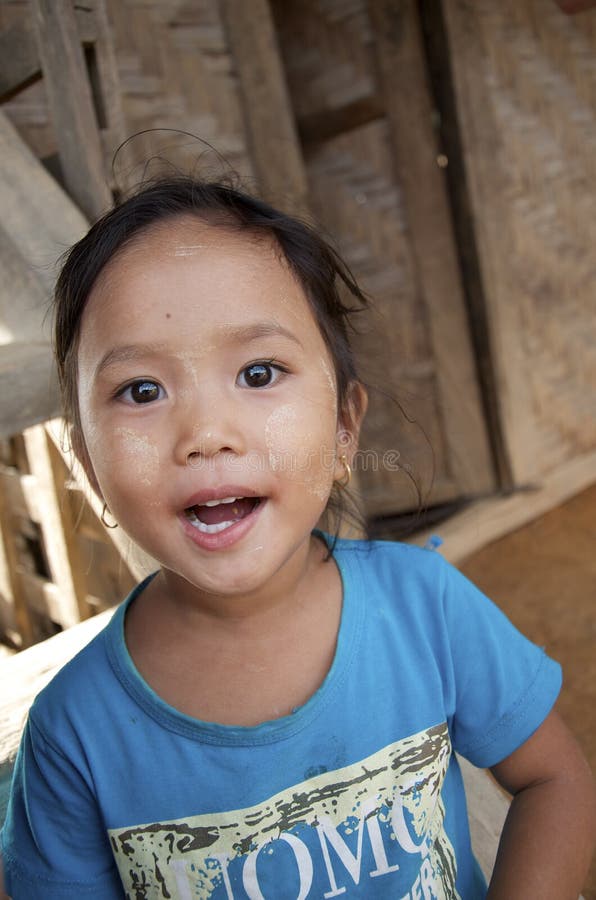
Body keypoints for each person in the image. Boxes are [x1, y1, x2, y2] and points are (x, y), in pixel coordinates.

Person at [1, 177, 594, 900]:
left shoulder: (424, 607)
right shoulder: (74, 734)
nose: (206, 435)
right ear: (88, 465)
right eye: (142, 390)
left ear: (344, 429)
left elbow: (555, 780)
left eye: (259, 372)